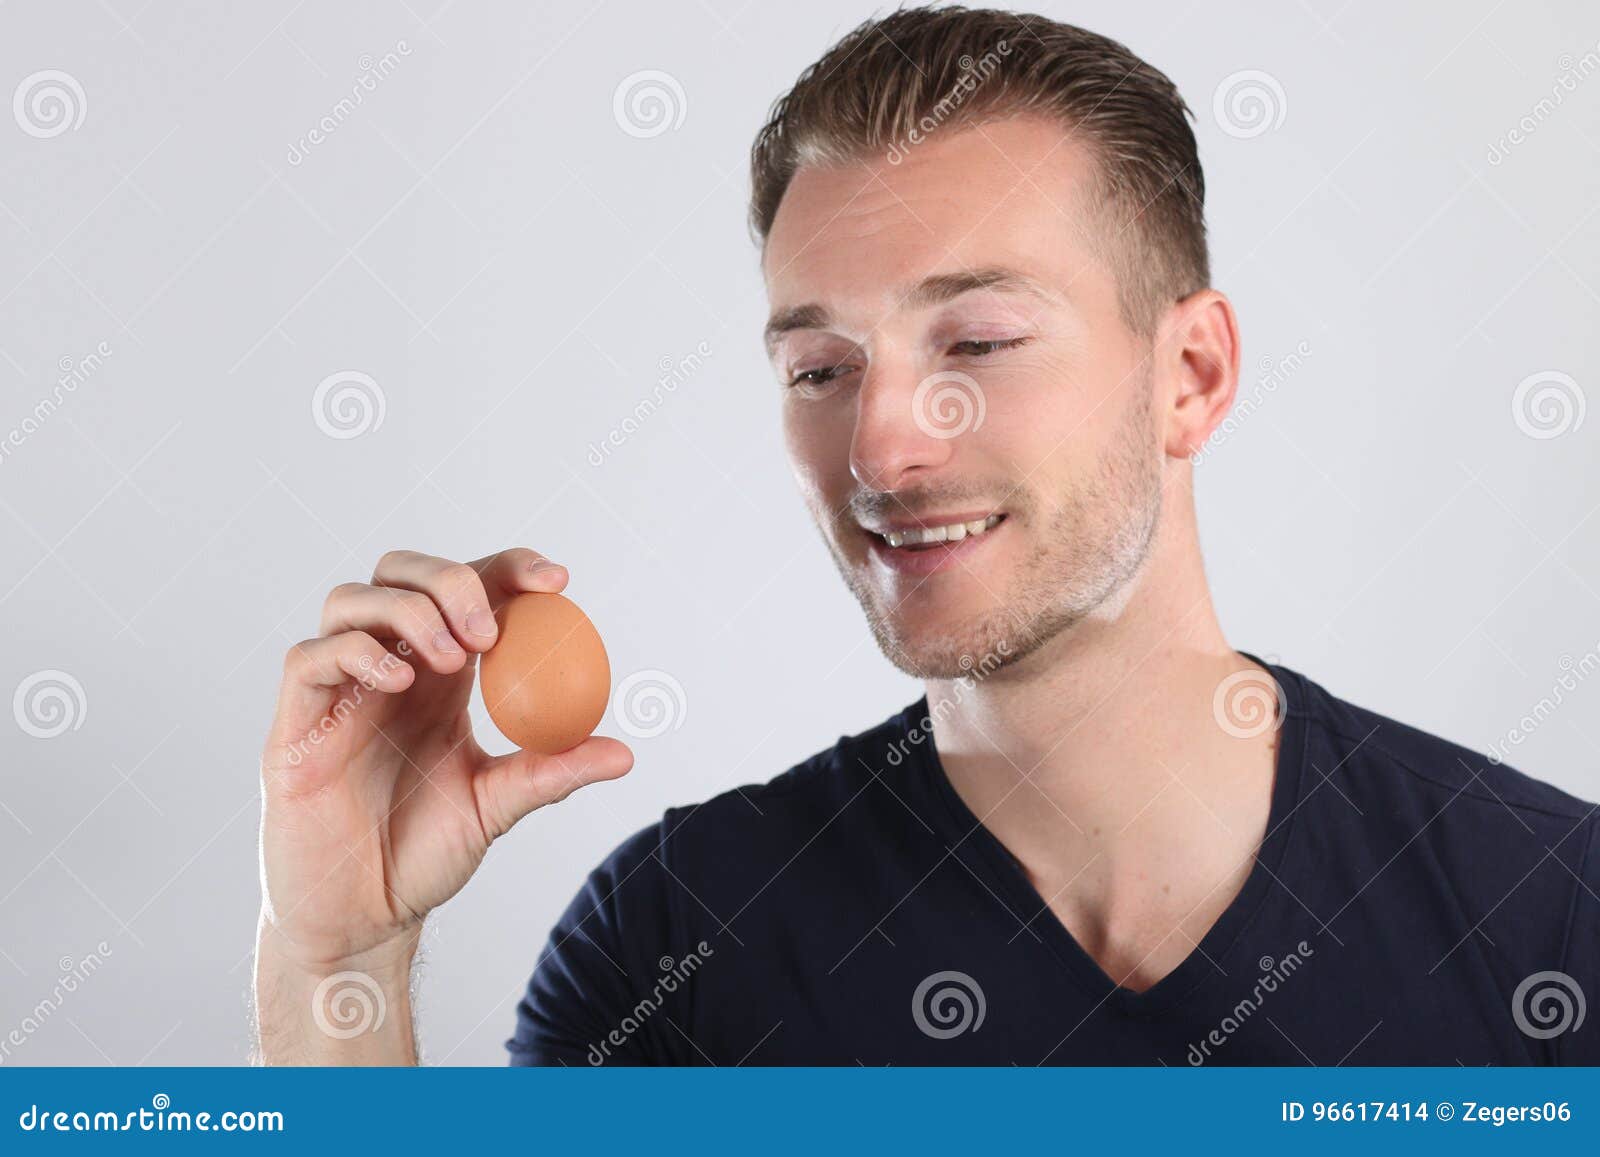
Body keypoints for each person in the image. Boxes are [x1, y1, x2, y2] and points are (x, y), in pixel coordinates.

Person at [252, 6, 1599, 1066]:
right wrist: (337, 965)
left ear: (1189, 375)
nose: (882, 446)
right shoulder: (677, 947)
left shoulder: (1550, 917)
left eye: (980, 341)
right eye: (820, 367)